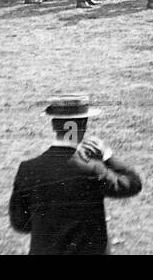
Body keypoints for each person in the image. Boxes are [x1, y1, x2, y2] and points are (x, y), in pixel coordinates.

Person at [9, 95, 143, 255]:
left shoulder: (28, 169)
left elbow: (20, 223)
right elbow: (133, 184)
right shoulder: (93, 169)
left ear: (54, 125)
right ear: (84, 125)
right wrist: (107, 155)